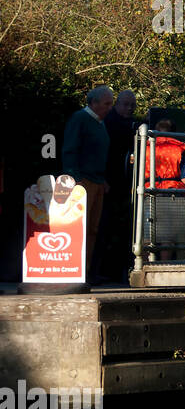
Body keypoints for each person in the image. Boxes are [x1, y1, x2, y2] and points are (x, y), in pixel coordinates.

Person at [62, 86, 114, 283]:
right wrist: (74, 178)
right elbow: (70, 149)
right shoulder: (80, 119)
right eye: (106, 104)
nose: (110, 108)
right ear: (93, 103)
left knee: (93, 228)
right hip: (82, 181)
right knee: (80, 227)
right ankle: (74, 270)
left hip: (97, 181)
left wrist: (103, 180)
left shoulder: (100, 123)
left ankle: (86, 270)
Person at [101, 90, 138, 281]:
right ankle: (105, 271)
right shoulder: (109, 123)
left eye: (132, 106)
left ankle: (118, 270)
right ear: (117, 104)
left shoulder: (131, 123)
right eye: (125, 105)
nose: (129, 109)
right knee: (106, 227)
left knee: (123, 229)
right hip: (109, 182)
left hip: (125, 185)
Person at [141, 120, 185, 261]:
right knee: (167, 236)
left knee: (147, 234)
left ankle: (144, 265)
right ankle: (163, 265)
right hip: (171, 193)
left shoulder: (146, 146)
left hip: (149, 191)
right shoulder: (179, 148)